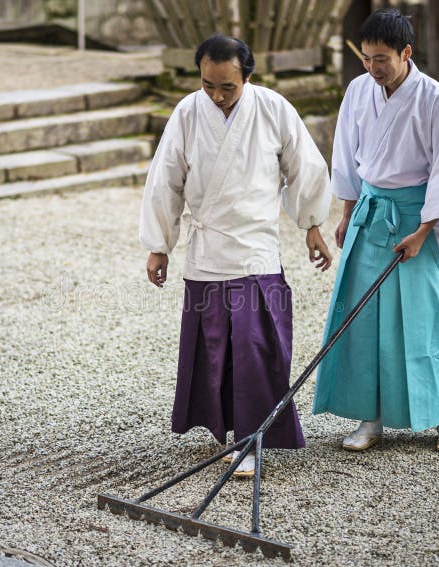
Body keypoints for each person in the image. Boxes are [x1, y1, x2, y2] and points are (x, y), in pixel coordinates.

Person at [140, 34, 333, 478]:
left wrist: (312, 225)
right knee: (214, 351)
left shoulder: (273, 108)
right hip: (207, 250)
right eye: (209, 85)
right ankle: (225, 430)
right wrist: (159, 245)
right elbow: (165, 179)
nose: (218, 95)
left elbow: (304, 166)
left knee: (255, 345)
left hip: (255, 248)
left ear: (248, 76)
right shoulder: (188, 112)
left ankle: (253, 437)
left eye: (228, 87)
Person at [311, 8, 439, 453]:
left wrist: (423, 231)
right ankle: (371, 416)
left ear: (406, 53)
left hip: (418, 217)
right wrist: (347, 213)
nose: (372, 67)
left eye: (382, 58)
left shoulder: (436, 99)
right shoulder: (359, 91)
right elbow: (346, 156)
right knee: (365, 318)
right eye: (366, 58)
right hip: (370, 209)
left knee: (428, 317)